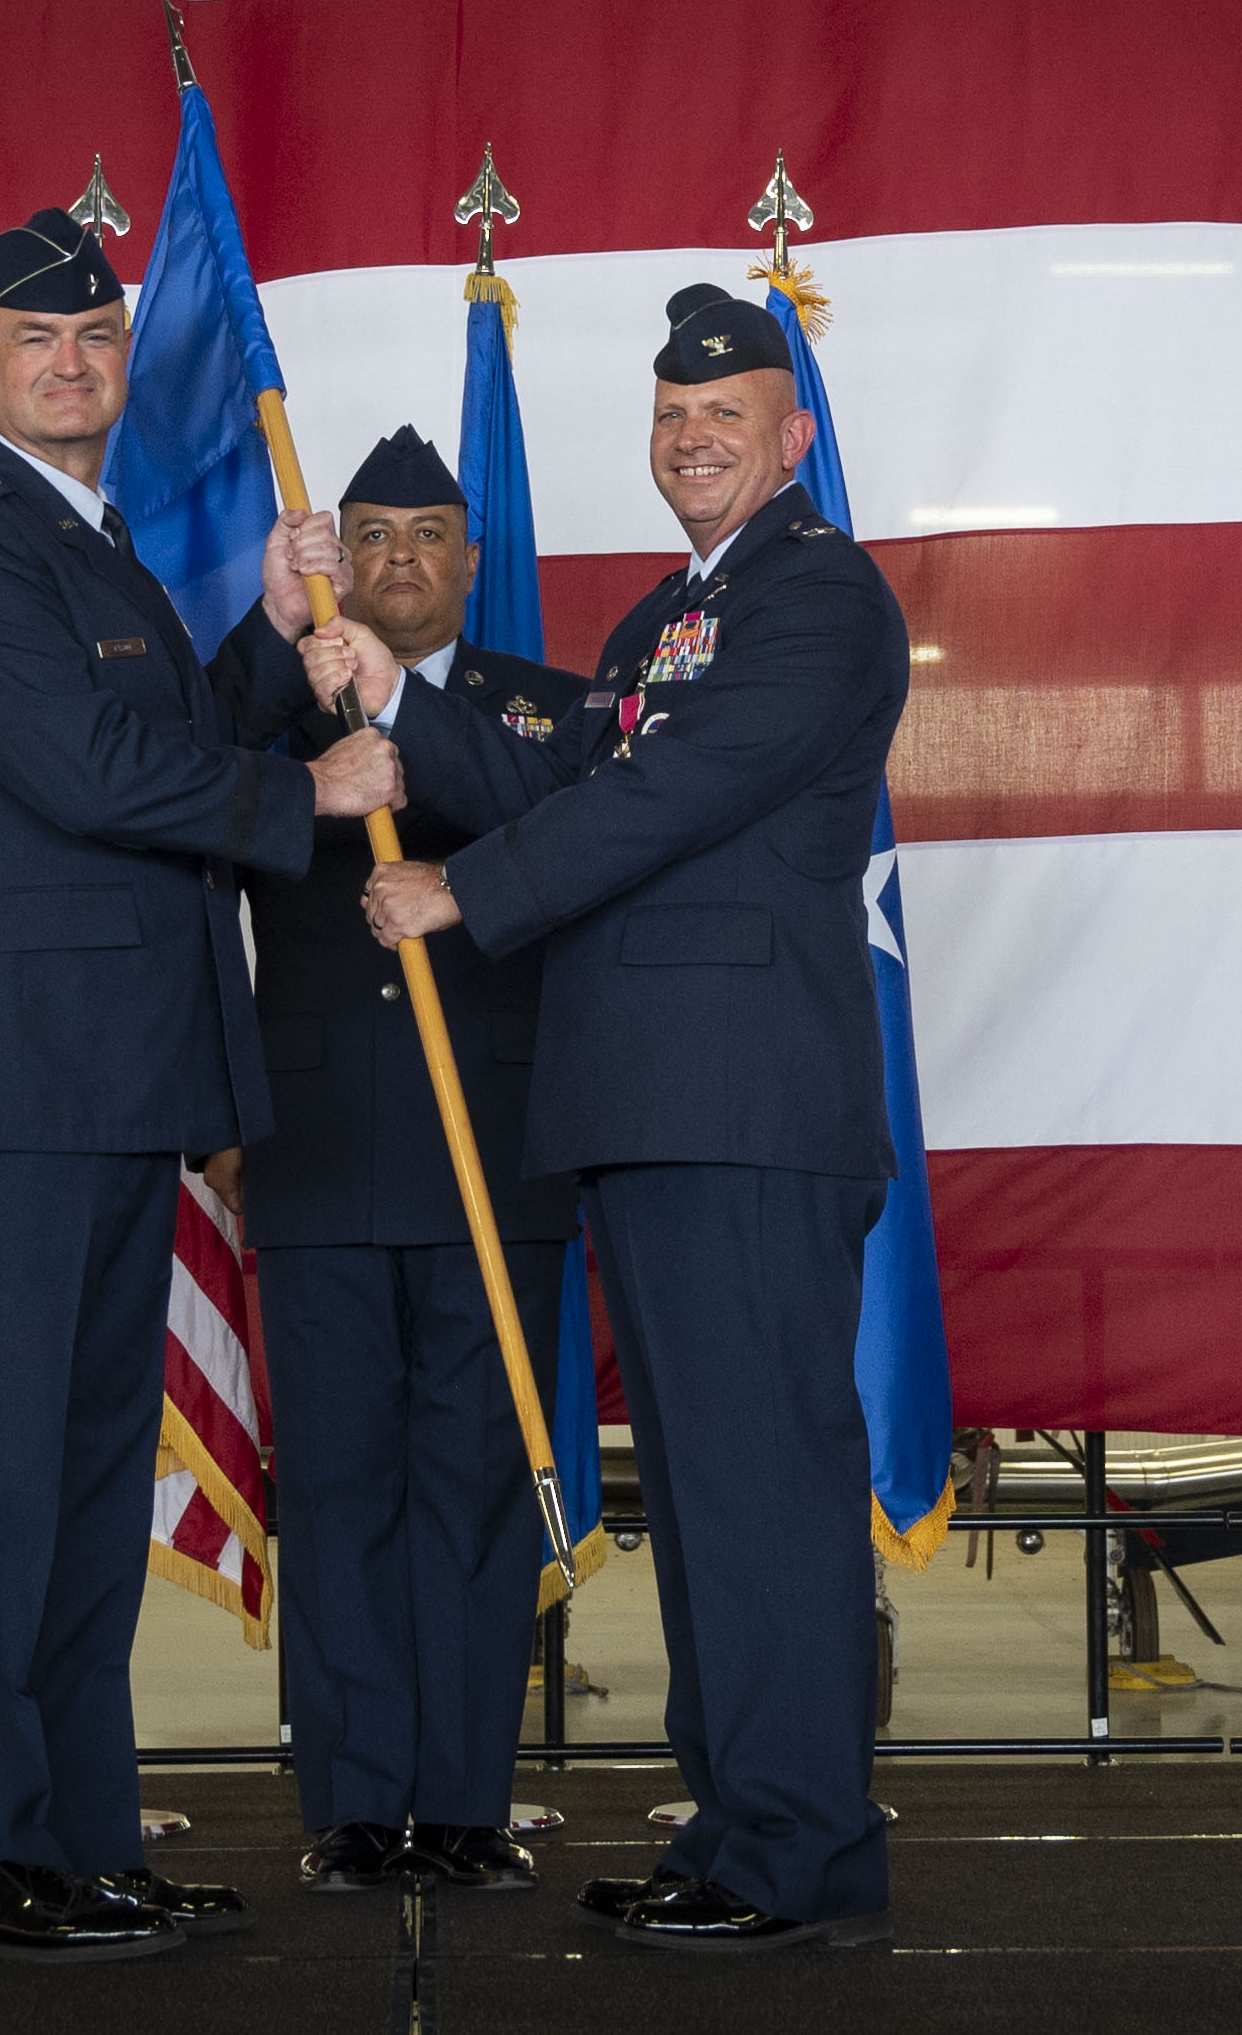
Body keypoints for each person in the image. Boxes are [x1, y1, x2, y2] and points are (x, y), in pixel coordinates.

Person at [312, 284, 907, 1952]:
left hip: (743, 1109)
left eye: (725, 415)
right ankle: (737, 1825)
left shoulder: (820, 599)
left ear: (794, 436)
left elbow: (678, 790)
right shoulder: (661, 619)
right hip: (648, 1108)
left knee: (766, 1491)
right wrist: (399, 695)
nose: (691, 438)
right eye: (669, 418)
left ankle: (797, 1845)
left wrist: (464, 893)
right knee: (711, 1497)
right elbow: (566, 771)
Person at [0, 207, 402, 1962]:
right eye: (40, 343)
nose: (75, 363)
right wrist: (308, 798)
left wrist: (250, 639)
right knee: (1, 1491)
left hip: (110, 1085)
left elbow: (164, 743)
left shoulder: (92, 553)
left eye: (96, 335)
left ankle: (80, 1835)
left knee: (90, 1486)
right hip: (5, 1095)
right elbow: (92, 769)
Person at [206, 426, 588, 1894]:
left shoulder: (539, 713)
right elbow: (177, 851)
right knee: (347, 1489)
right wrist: (216, 1120)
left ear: (470, 561)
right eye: (370, 535)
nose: (401, 559)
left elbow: (556, 831)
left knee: (473, 1492)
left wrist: (398, 708)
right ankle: (356, 1801)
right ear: (334, 559)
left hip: (494, 1156)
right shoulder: (267, 722)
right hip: (309, 1157)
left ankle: (464, 1799)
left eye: (430, 533)